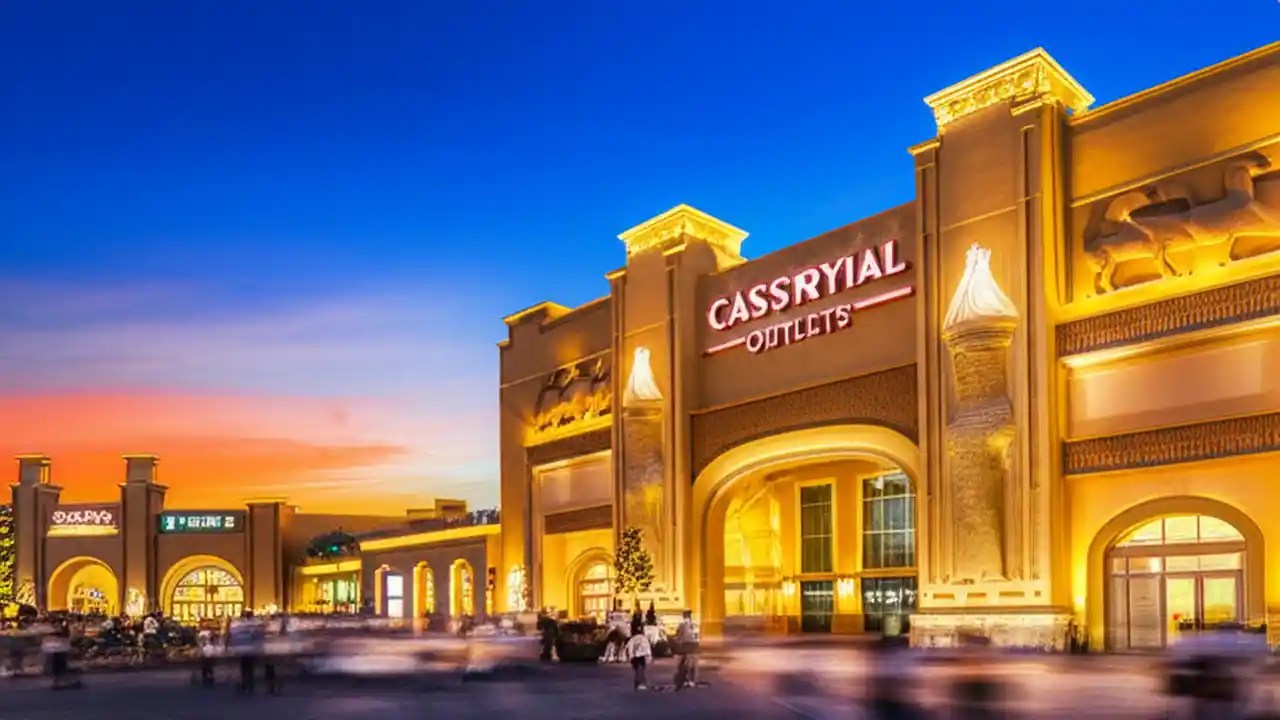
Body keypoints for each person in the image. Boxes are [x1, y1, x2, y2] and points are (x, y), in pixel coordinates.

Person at [673, 609, 699, 689]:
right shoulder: (694, 625)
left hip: (685, 645)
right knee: (691, 664)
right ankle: (690, 680)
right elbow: (696, 636)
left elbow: (678, 635)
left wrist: (676, 641)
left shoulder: (683, 625)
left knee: (684, 664)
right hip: (692, 646)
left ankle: (686, 680)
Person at [625, 621, 652, 691]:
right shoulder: (644, 638)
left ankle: (638, 683)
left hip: (635, 657)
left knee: (637, 670)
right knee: (641, 670)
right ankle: (641, 683)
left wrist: (630, 656)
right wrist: (649, 656)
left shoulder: (633, 639)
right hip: (642, 656)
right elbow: (647, 647)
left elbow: (629, 648)